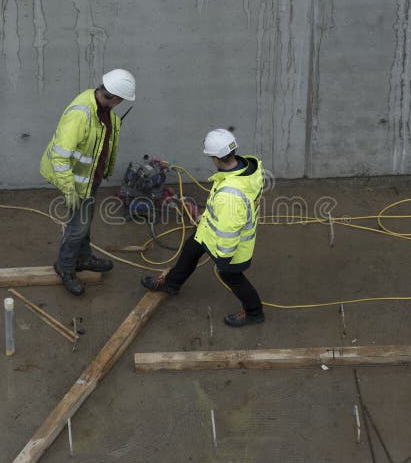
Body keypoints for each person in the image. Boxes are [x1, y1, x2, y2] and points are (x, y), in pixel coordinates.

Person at [141, 129, 265, 327]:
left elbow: (229, 231)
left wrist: (224, 259)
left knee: (231, 276)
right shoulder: (247, 168)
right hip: (209, 231)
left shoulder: (230, 194)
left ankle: (254, 312)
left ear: (215, 158)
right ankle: (172, 284)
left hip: (229, 247)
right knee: (191, 249)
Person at [40, 69, 136, 295]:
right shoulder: (81, 114)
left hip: (91, 177)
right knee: (77, 226)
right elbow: (60, 155)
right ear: (114, 96)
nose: (120, 103)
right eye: (120, 100)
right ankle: (64, 267)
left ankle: (83, 259)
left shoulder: (104, 109)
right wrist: (68, 189)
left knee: (84, 220)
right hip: (75, 181)